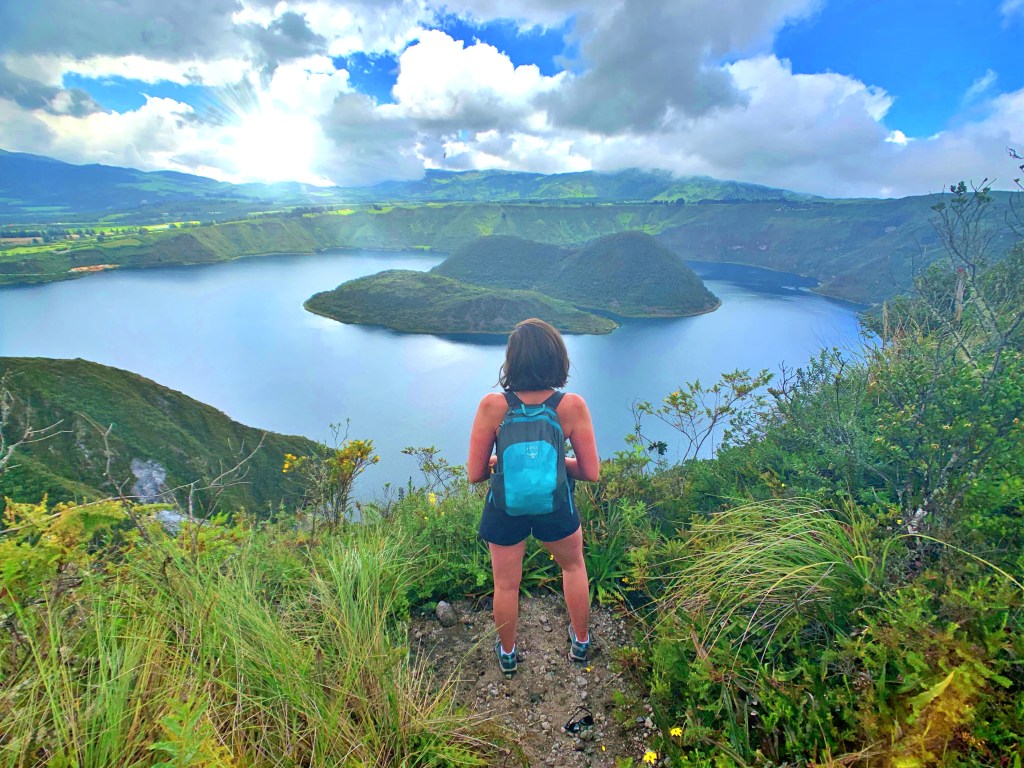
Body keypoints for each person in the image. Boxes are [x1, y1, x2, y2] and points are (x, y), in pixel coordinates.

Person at [467, 318, 601, 678]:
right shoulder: (571, 406)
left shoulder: (493, 406)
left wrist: (501, 463)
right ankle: (581, 642)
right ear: (557, 359)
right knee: (573, 567)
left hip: (505, 508)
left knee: (506, 584)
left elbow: (475, 474)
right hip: (555, 505)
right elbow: (590, 472)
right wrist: (555, 464)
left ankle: (508, 653)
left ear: (513, 360)